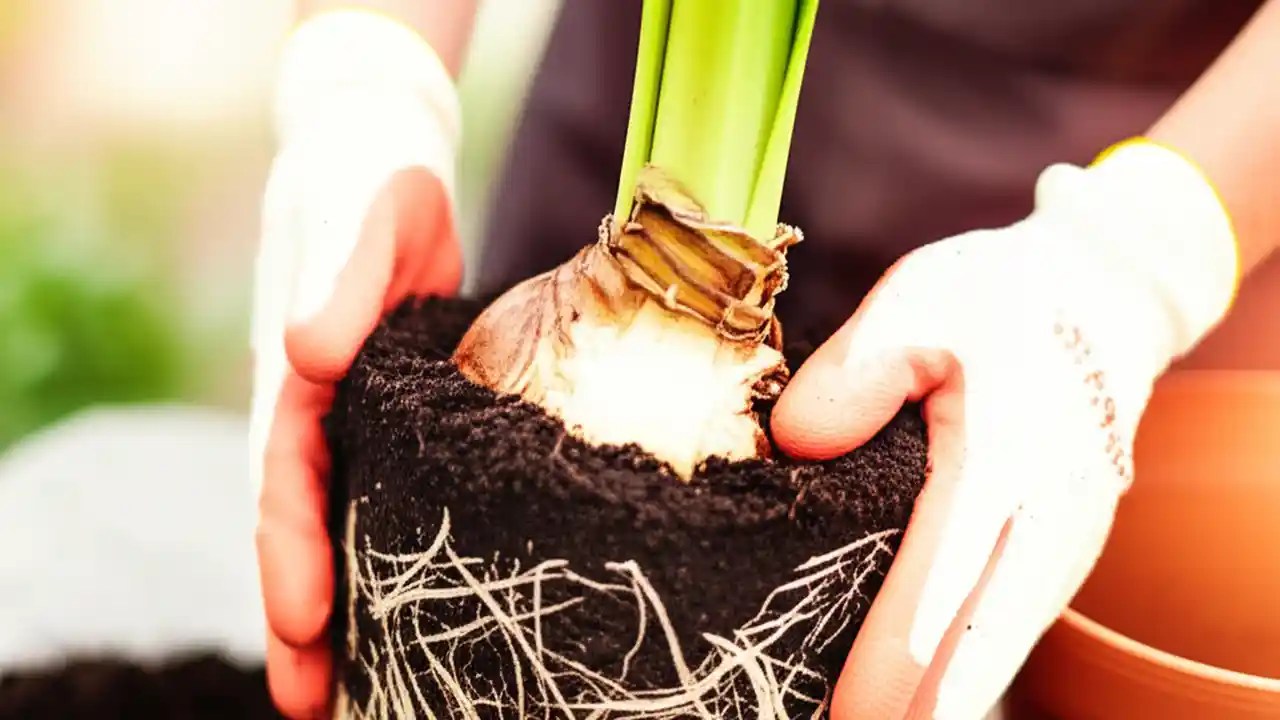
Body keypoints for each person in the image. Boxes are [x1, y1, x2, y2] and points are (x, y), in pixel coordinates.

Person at [250, 0, 1279, 717]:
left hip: (1162, 148)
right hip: (629, 180)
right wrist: (369, 71)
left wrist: (1140, 254)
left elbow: (1140, 253)